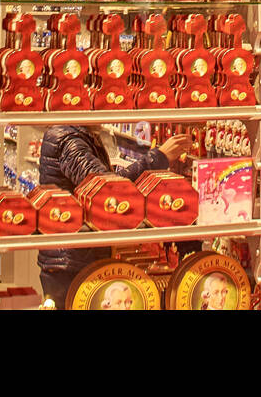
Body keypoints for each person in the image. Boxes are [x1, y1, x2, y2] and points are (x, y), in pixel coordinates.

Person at [37, 126, 188, 308]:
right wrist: (159, 158)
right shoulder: (69, 140)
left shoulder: (78, 135)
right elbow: (108, 190)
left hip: (73, 255)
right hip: (72, 260)